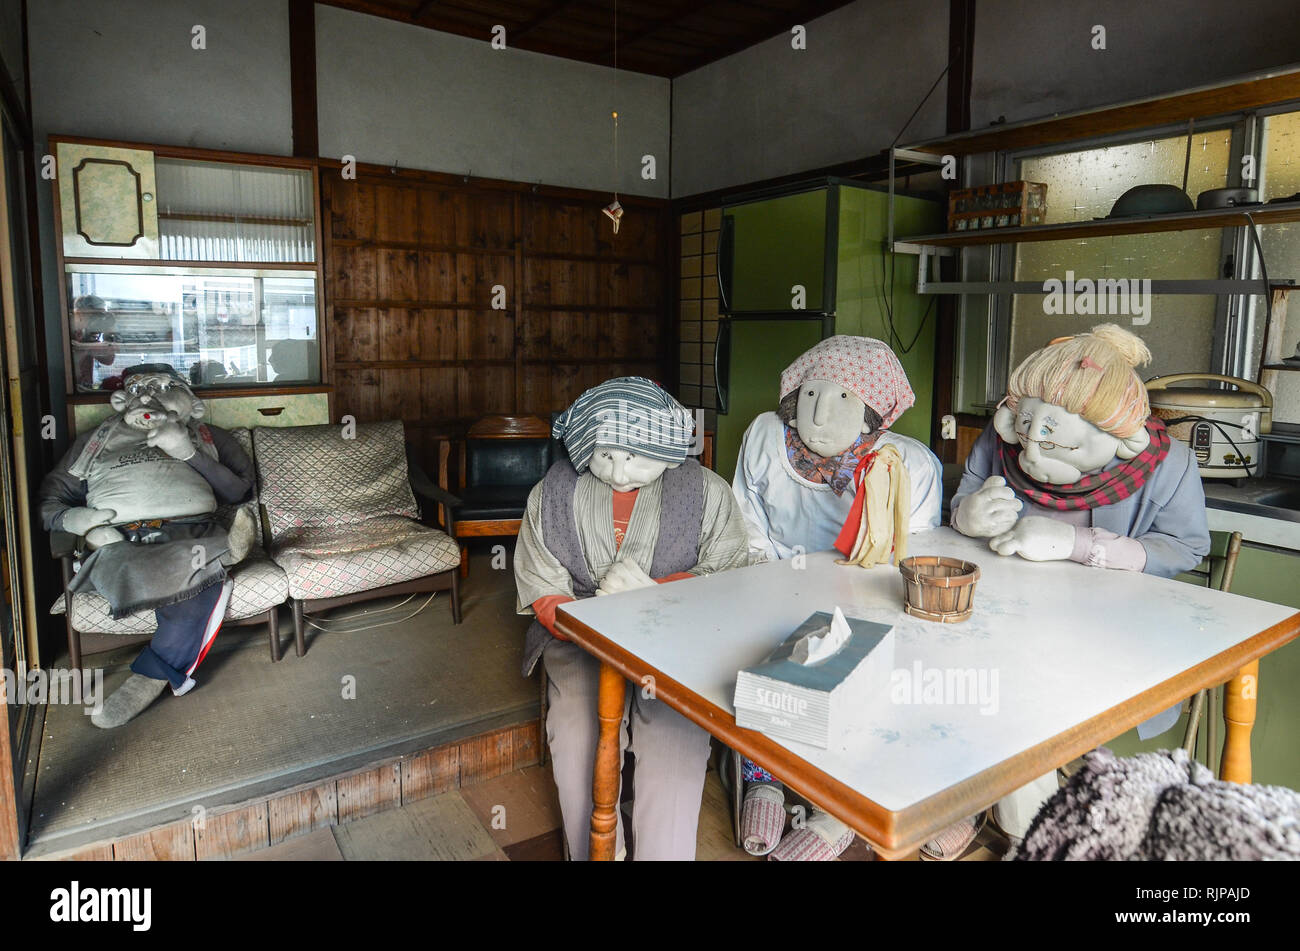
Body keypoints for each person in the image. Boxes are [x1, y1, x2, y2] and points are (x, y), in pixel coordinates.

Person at [951, 323, 1211, 842]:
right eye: (1025, 437)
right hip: (999, 617)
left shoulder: (1168, 465)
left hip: (1108, 636)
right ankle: (978, 806)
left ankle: (1024, 831)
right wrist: (967, 516)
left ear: (1116, 438)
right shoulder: (997, 443)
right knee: (951, 666)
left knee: (1010, 691)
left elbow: (1186, 548)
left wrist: (1078, 545)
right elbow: (961, 501)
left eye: (1058, 448)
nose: (1033, 461)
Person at [731, 335, 975, 859]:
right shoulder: (763, 436)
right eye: (812, 395)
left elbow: (906, 555)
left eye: (842, 400)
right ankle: (765, 779)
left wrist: (840, 604)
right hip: (772, 582)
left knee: (874, 678)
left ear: (875, 413)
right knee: (760, 665)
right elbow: (745, 516)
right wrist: (765, 577)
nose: (819, 415)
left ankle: (840, 810)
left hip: (863, 596)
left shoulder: (906, 464)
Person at [513, 377, 751, 860]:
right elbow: (541, 581)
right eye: (606, 457)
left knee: (675, 742)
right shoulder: (553, 492)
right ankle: (597, 854)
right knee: (578, 736)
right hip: (578, 637)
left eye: (637, 458)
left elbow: (729, 573)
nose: (620, 474)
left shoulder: (707, 492)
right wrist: (590, 623)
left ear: (667, 450)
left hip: (677, 641)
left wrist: (654, 595)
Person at [40, 364, 257, 727]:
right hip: (119, 537)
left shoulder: (207, 434)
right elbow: (51, 498)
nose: (148, 395)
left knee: (195, 574)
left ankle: (148, 680)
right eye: (138, 388)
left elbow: (241, 491)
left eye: (165, 387)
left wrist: (188, 452)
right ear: (121, 400)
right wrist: (70, 519)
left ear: (193, 404)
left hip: (189, 532)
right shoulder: (96, 440)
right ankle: (224, 556)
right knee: (161, 563)